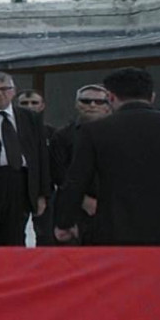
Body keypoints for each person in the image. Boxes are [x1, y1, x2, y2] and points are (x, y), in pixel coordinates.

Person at [56, 67, 160, 245]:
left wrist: (64, 221)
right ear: (152, 96)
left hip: (117, 226)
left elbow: (77, 179)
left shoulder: (94, 131)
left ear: (111, 97)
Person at [0, 72, 50, 247]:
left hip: (20, 182)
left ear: (13, 91)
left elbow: (41, 157)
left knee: (14, 239)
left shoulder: (30, 118)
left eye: (4, 89)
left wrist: (42, 193)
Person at [50, 84, 111, 245]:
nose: (92, 105)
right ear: (77, 104)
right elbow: (59, 173)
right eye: (86, 101)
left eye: (99, 102)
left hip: (113, 205)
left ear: (108, 105)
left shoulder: (120, 133)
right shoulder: (62, 135)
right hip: (74, 206)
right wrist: (83, 200)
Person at [16, 89, 58, 245]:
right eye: (24, 103)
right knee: (15, 234)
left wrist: (44, 193)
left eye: (34, 103)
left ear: (42, 106)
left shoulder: (52, 133)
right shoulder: (9, 133)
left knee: (46, 234)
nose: (29, 106)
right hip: (17, 189)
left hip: (46, 190)